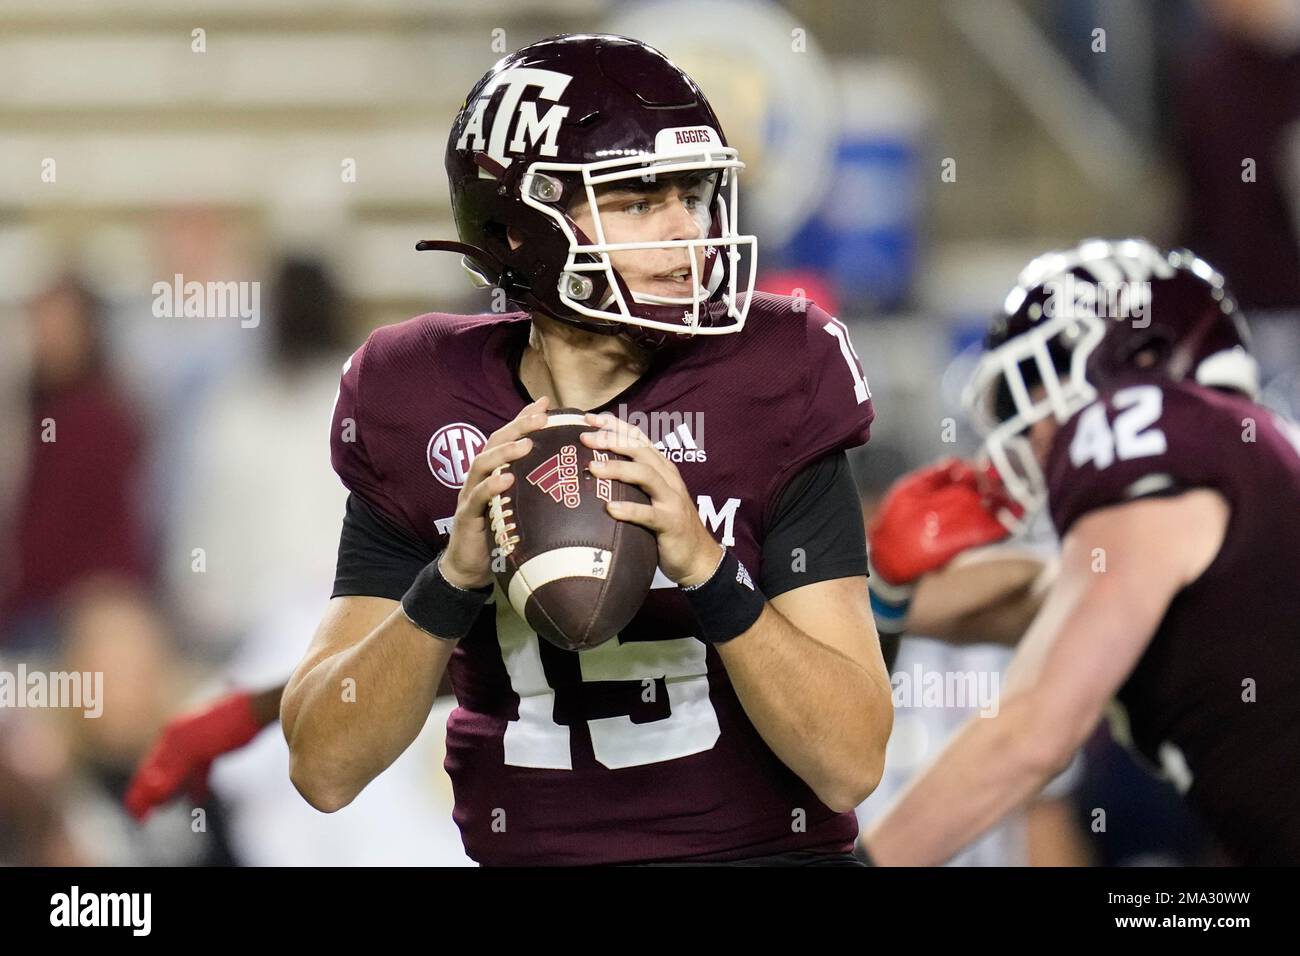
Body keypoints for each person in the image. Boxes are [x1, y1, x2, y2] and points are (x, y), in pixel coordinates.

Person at [278, 34, 892, 866]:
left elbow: (850, 761)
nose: (688, 232)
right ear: (525, 226)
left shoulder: (771, 375)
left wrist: (709, 570)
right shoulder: (421, 400)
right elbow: (324, 765)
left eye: (694, 194)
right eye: (640, 201)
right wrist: (452, 579)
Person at [861, 238, 1300, 865]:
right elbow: (1035, 598)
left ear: (1142, 356)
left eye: (1041, 383)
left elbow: (1033, 735)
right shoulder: (1231, 468)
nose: (1031, 426)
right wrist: (882, 584)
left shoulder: (1147, 432)